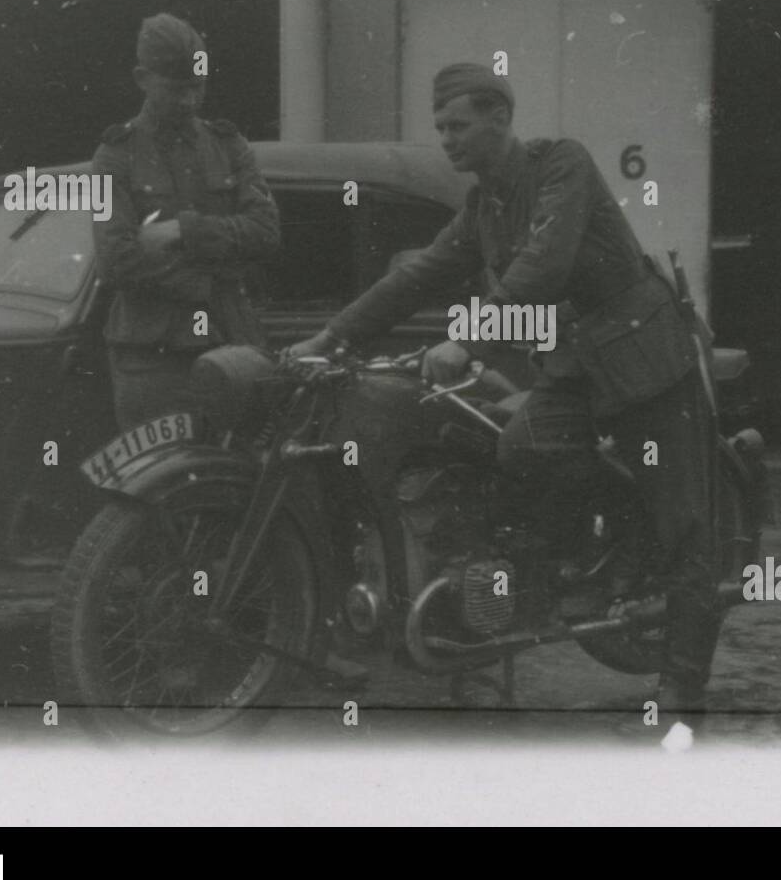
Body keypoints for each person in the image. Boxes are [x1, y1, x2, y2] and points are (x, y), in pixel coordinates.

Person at [290, 62, 726, 723]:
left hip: (645, 363)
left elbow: (543, 266)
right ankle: (559, 579)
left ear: (500, 117)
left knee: (684, 520)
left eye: (458, 124)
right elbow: (418, 278)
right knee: (519, 449)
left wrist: (469, 338)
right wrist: (329, 336)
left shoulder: (561, 167)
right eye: (439, 127)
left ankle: (684, 683)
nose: (446, 138)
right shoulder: (483, 205)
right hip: (578, 370)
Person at [91, 13, 279, 431]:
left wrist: (183, 230)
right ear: (143, 78)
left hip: (231, 343)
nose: (191, 100)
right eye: (177, 89)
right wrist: (213, 274)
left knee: (241, 479)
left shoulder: (228, 145)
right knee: (160, 480)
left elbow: (266, 231)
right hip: (154, 360)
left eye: (198, 87)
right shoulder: (114, 158)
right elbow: (114, 259)